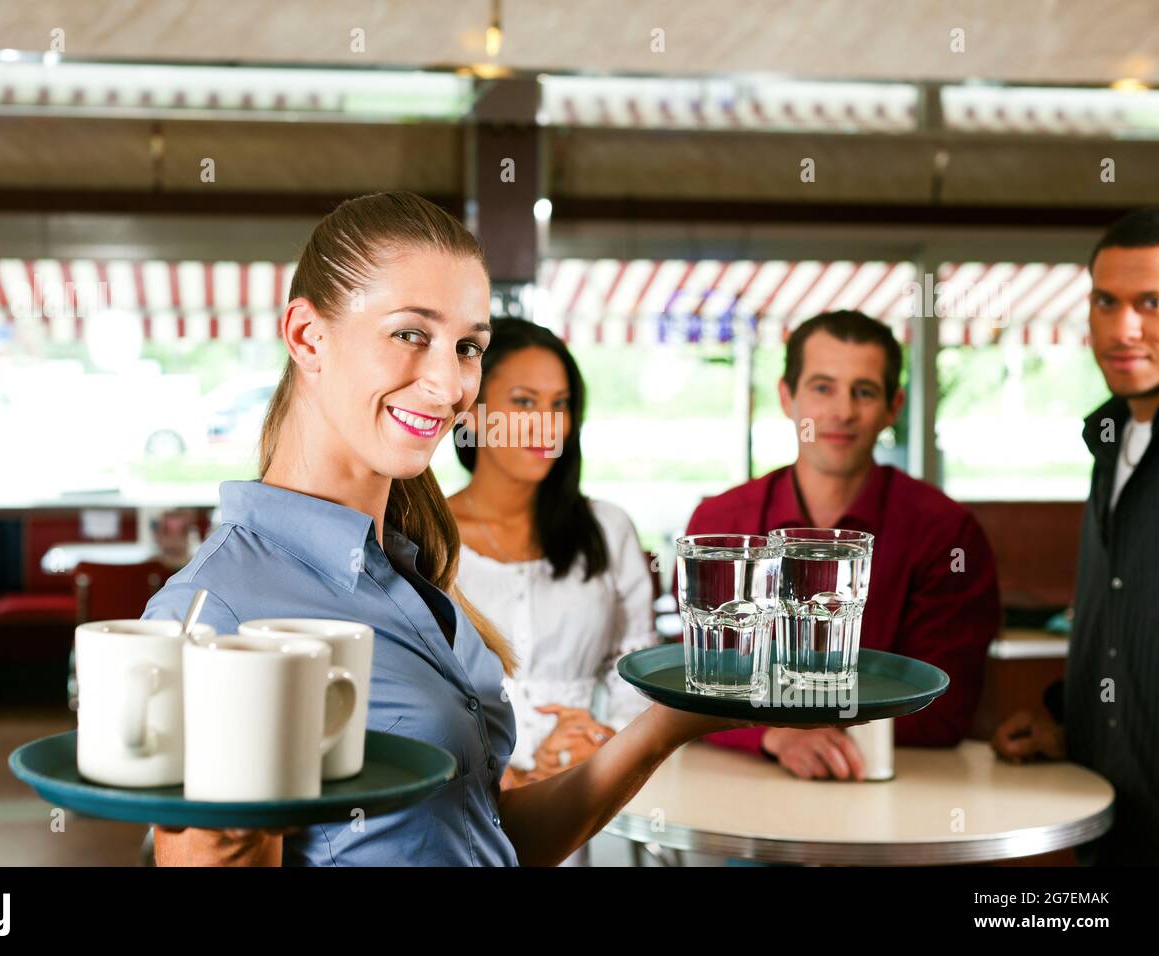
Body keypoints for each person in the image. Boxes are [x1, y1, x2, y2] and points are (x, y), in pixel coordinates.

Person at [141, 191, 820, 866]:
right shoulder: (210, 610)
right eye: (410, 334)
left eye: (467, 347)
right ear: (307, 336)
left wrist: (663, 726)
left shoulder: (411, 573)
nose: (448, 384)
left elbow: (486, 837)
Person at [683, 310, 1001, 780]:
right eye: (822, 387)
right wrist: (775, 735)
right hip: (750, 781)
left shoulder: (947, 532)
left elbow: (943, 709)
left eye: (864, 391)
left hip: (895, 784)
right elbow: (697, 684)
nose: (842, 412)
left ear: (894, 406)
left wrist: (786, 720)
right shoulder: (720, 524)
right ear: (786, 396)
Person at [447, 318, 658, 863]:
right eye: (523, 401)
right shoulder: (424, 537)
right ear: (471, 409)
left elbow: (634, 658)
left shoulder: (608, 529)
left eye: (560, 404)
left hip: (594, 788)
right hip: (462, 796)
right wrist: (497, 769)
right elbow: (412, 682)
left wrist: (604, 743)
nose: (546, 424)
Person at [991, 208, 1159, 865]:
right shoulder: (1109, 441)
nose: (1124, 329)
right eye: (1105, 302)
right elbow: (1125, 623)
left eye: (1151, 302)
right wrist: (1071, 723)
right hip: (1114, 829)